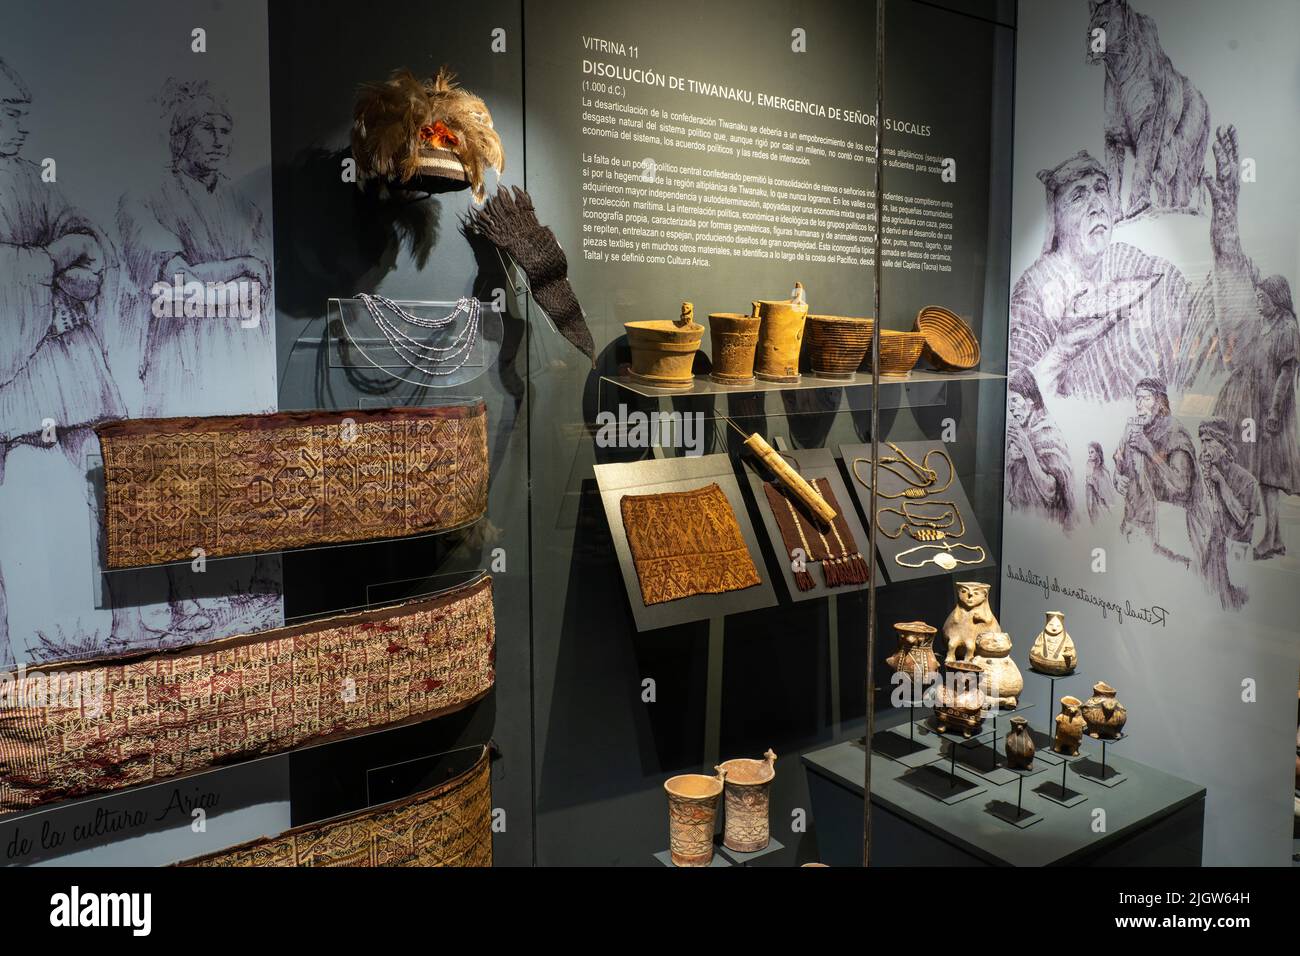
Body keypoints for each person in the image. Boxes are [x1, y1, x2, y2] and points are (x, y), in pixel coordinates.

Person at [0, 58, 128, 664]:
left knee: (81, 499)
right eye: (9, 112)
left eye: (24, 112)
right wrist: (48, 265)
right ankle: (32, 644)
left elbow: (90, 247)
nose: (21, 124)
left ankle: (83, 637)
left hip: (68, 379)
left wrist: (59, 265)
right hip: (17, 391)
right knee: (27, 500)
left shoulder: (38, 178)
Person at [117, 77, 273, 418]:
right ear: (181, 136)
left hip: (243, 356)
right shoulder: (144, 200)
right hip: (179, 355)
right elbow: (176, 288)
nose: (218, 140)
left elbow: (257, 287)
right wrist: (239, 266)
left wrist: (207, 279)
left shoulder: (246, 206)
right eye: (207, 129)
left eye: (225, 130)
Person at [1010, 150, 1190, 405]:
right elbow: (1017, 396)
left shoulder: (1124, 259)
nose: (1097, 206)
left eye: (1100, 189)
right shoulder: (1034, 290)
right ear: (1056, 217)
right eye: (1079, 196)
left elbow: (1166, 280)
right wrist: (1061, 352)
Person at [1114, 378, 1241, 607]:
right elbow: (1120, 462)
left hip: (1183, 526)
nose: (1139, 405)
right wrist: (1118, 478)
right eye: (1137, 399)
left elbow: (1182, 487)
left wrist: (1149, 450)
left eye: (1145, 398)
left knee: (1190, 596)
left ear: (1160, 402)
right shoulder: (1133, 428)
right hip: (1149, 521)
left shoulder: (1175, 431)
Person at [1005, 368, 1076, 530]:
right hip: (1022, 526)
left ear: (1030, 400)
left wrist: (1028, 451)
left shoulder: (1047, 433)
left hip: (1049, 528)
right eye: (1008, 402)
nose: (1011, 408)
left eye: (1015, 400)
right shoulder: (1020, 430)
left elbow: (1051, 491)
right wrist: (1011, 457)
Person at [1197, 416, 1261, 555]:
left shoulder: (1247, 481)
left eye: (1209, 441)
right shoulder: (1204, 472)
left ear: (1224, 445)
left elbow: (1242, 519)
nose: (1204, 449)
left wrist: (1221, 482)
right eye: (1202, 442)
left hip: (1236, 552)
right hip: (1209, 548)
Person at [1085, 441, 1118, 523]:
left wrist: (1093, 482)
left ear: (1097, 453)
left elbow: (1106, 494)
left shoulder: (1102, 471)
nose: (1089, 454)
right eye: (1089, 452)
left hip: (1101, 507)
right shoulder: (1089, 467)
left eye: (1092, 452)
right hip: (1092, 507)